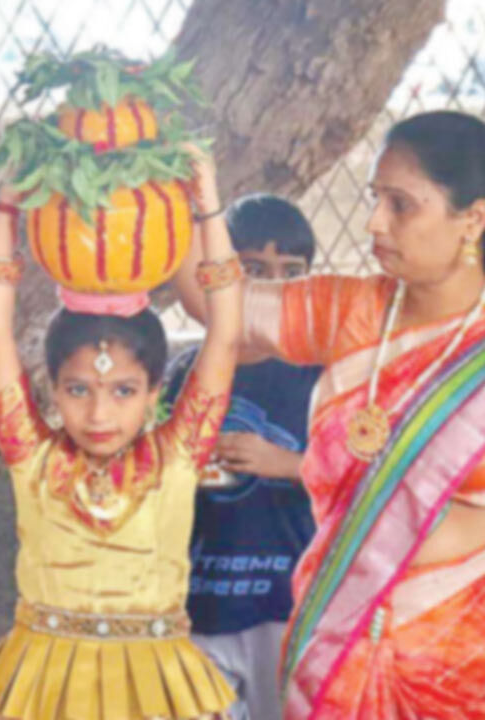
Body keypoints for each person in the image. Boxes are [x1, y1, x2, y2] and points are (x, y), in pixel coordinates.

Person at [176, 111, 485, 720]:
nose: (374, 222)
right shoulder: (350, 312)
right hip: (335, 667)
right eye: (374, 199)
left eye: (401, 205)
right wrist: (182, 194)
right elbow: (215, 302)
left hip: (477, 685)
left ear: (474, 219)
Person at [0, 146, 244, 720]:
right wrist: (6, 209)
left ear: (154, 392)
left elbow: (226, 335)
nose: (99, 415)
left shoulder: (178, 454)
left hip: (158, 689)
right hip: (45, 685)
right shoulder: (31, 454)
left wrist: (208, 207)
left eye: (122, 391)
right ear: (51, 389)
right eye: (78, 390)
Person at [162, 194, 320, 720]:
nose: (270, 284)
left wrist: (289, 464)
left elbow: (374, 477)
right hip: (200, 606)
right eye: (253, 268)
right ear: (218, 273)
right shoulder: (189, 373)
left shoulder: (325, 376)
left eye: (289, 271)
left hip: (290, 607)